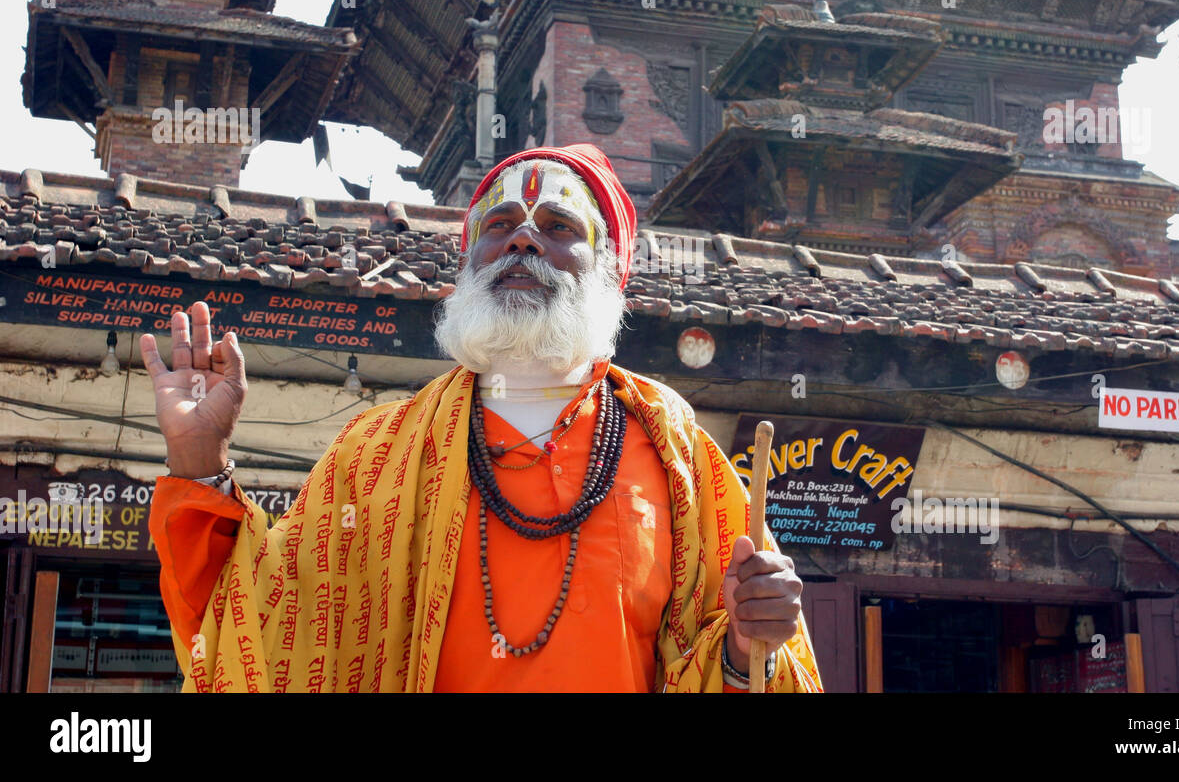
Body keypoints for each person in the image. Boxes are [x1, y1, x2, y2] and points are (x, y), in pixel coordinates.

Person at [142, 142, 822, 692]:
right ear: (469, 262)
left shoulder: (676, 452)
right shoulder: (375, 455)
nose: (523, 241)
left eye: (557, 228)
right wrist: (199, 461)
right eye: (499, 227)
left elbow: (750, 665)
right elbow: (260, 629)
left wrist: (746, 641)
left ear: (609, 271)